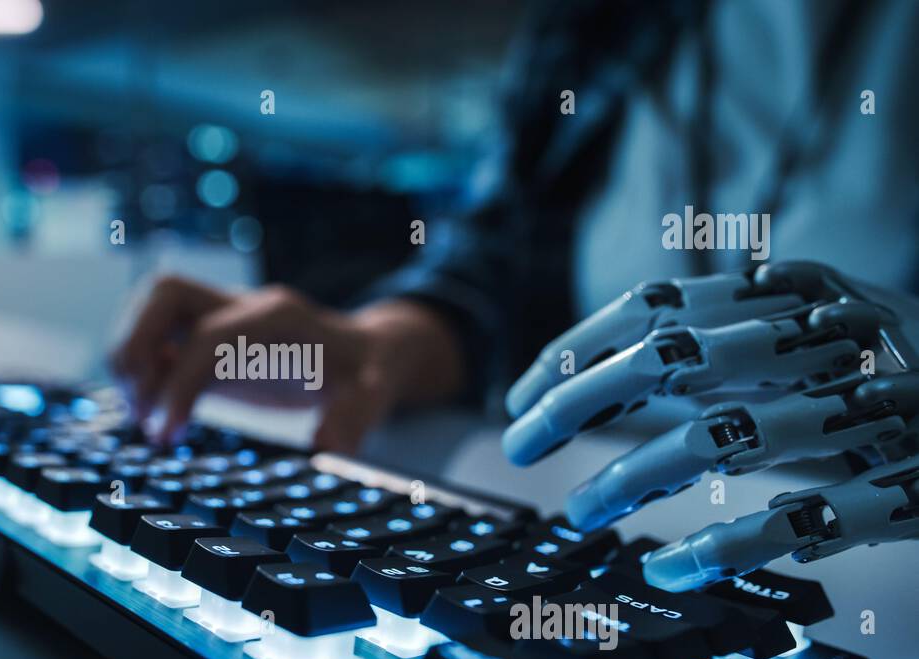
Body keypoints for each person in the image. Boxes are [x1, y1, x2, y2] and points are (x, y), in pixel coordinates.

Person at [110, 0, 919, 588]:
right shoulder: (596, 25)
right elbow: (497, 261)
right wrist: (386, 340)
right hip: (582, 509)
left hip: (880, 568)